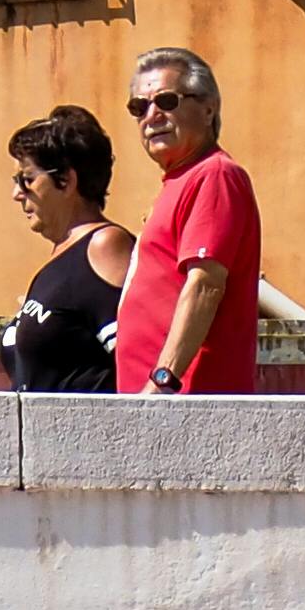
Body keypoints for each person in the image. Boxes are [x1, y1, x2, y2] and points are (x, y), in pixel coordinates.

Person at [113, 45, 261, 393]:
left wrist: (162, 381)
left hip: (183, 403)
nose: (151, 116)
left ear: (208, 109)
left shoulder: (214, 175)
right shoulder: (179, 182)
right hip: (155, 406)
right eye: (139, 107)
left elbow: (205, 285)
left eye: (166, 101)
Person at [0, 104, 133, 391]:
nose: (16, 194)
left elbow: (135, 359)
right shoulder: (62, 255)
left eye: (28, 179)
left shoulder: (104, 246)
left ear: (67, 180)